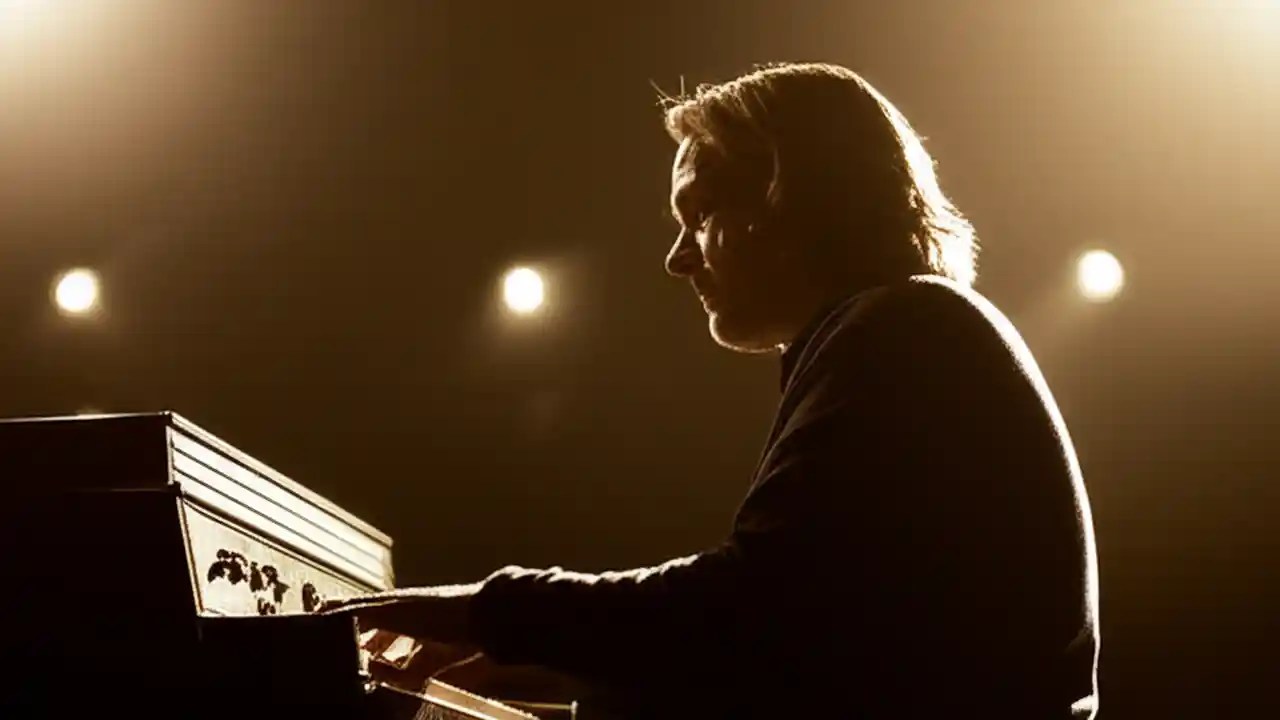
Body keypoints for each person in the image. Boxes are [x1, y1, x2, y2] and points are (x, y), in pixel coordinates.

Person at [321, 62, 1101, 719]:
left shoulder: (901, 330)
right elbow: (817, 646)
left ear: (792, 195)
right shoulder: (913, 327)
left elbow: (751, 608)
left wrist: (490, 611)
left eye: (697, 214)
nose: (677, 259)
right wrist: (553, 666)